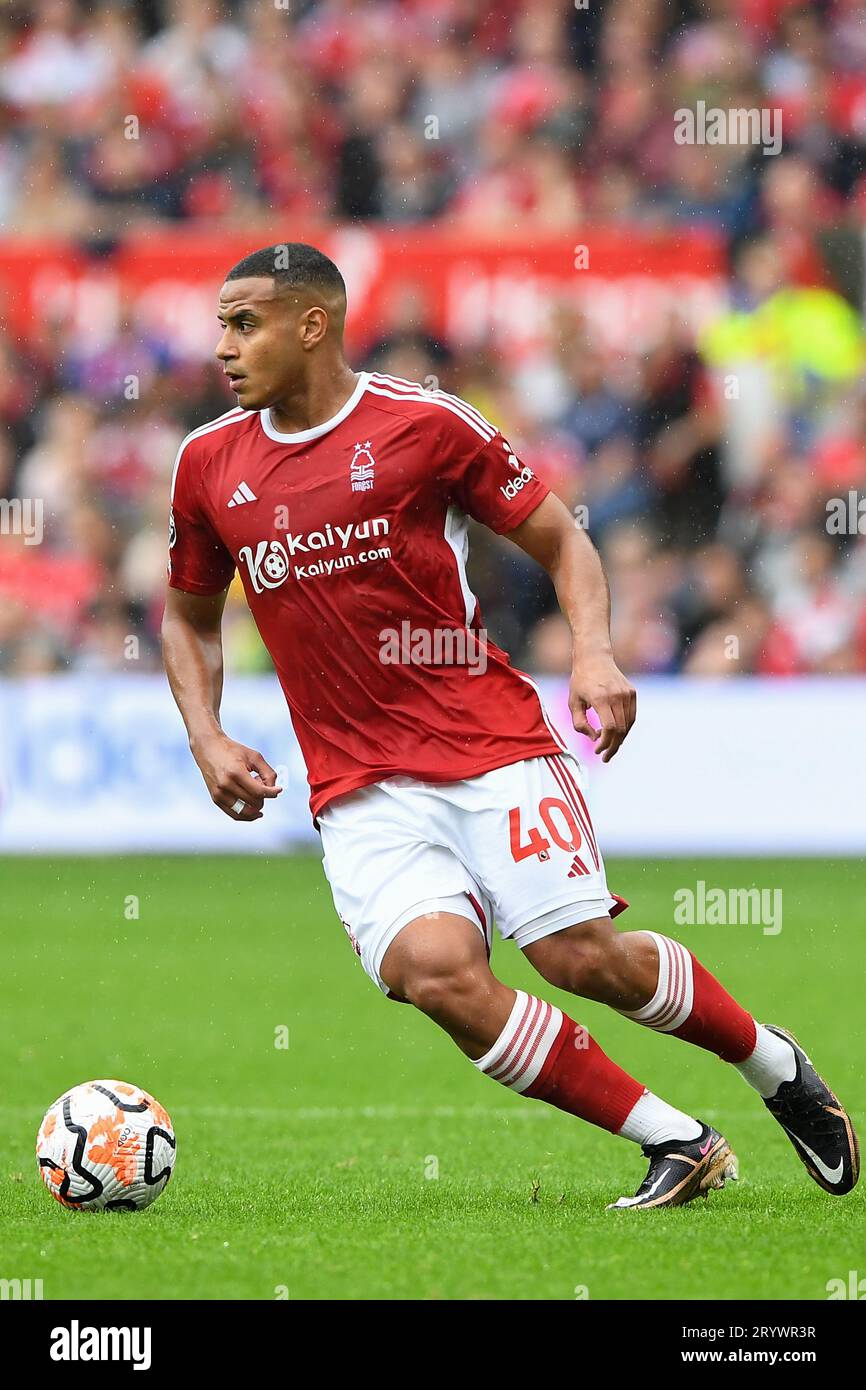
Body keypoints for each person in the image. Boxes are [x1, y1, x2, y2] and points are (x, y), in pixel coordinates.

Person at [161, 243, 858, 1209]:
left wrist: (595, 652)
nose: (224, 347)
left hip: (487, 746)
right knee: (435, 975)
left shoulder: (424, 424)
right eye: (221, 326)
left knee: (582, 960)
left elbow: (562, 538)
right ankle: (675, 1140)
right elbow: (189, 616)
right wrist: (206, 732)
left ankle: (771, 1062)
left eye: (245, 323)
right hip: (357, 783)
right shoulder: (206, 464)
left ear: (311, 325)